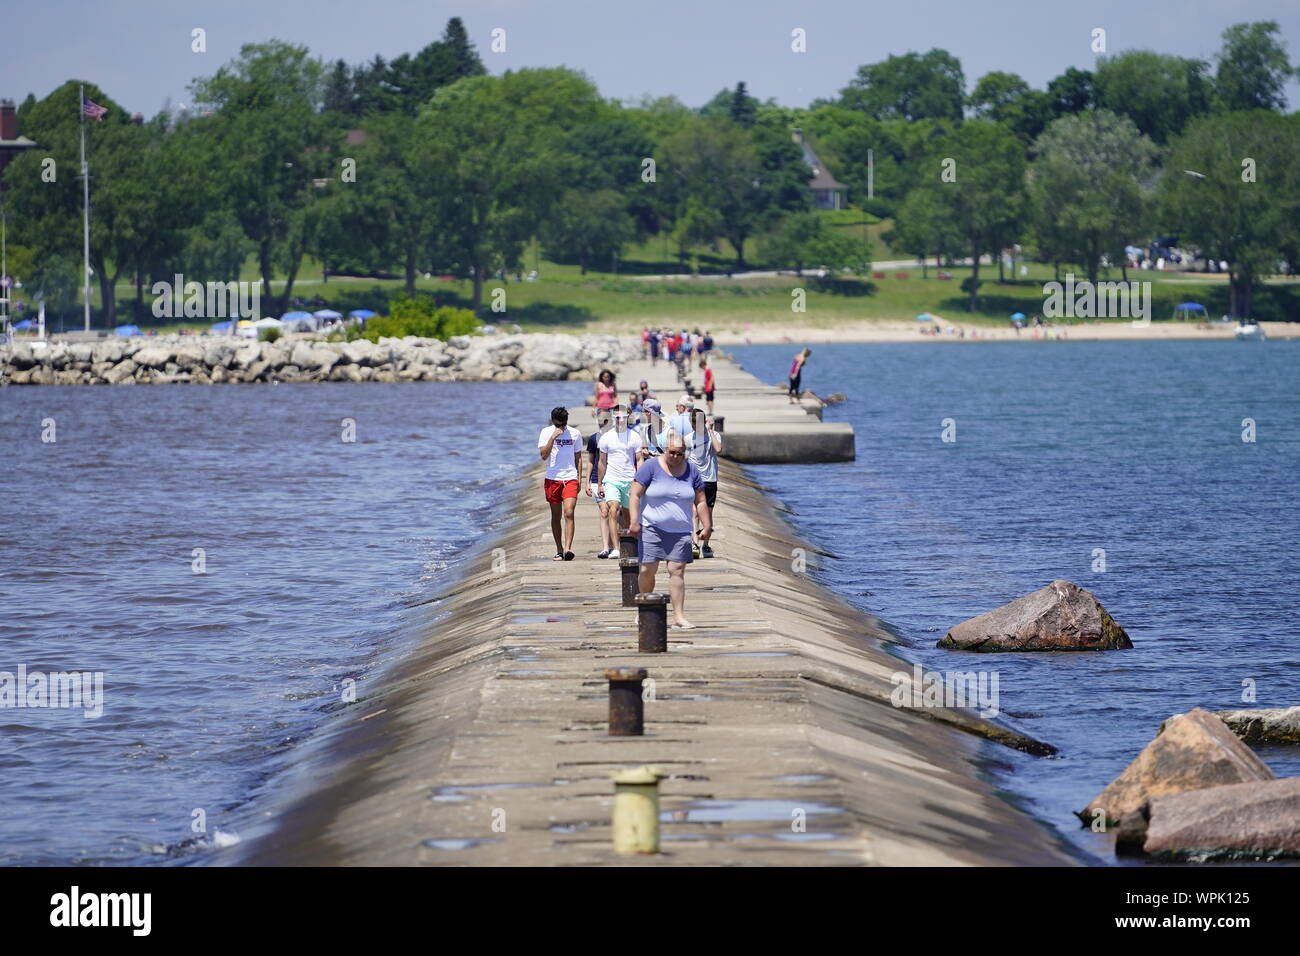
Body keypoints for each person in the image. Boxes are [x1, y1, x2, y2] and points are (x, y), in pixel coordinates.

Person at [629, 431, 711, 629]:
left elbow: (700, 501)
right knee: (648, 569)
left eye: (680, 453)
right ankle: (645, 609)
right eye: (672, 452)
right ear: (665, 450)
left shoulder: (691, 470)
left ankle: (678, 617)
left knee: (677, 571)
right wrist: (634, 520)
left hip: (680, 530)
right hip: (651, 527)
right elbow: (635, 495)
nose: (675, 457)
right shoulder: (650, 467)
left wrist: (707, 526)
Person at [597, 405, 645, 551]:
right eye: (617, 417)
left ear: (627, 418)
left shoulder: (635, 436)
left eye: (623, 417)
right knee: (613, 509)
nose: (620, 420)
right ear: (613, 418)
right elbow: (601, 462)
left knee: (629, 515)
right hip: (611, 479)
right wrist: (600, 484)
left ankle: (631, 545)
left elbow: (639, 459)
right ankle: (616, 548)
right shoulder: (606, 437)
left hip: (630, 479)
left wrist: (640, 479)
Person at [538, 406, 583, 561]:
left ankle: (568, 549)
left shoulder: (575, 433)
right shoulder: (545, 432)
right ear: (553, 422)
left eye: (563, 424)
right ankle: (559, 549)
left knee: (569, 512)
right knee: (555, 516)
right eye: (558, 425)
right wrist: (553, 437)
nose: (561, 427)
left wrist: (579, 479)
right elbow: (543, 455)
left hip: (570, 478)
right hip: (552, 479)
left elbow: (579, 457)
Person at [684, 408, 722, 558]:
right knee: (694, 512)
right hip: (694, 479)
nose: (696, 427)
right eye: (694, 424)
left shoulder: (714, 435)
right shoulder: (688, 438)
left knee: (708, 514)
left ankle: (706, 545)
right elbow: (685, 460)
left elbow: (718, 449)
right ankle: (694, 544)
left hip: (710, 479)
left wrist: (710, 431)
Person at [585, 408, 615, 557]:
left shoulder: (616, 437)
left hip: (614, 478)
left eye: (604, 420)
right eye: (600, 420)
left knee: (614, 512)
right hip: (597, 480)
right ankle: (606, 547)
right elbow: (590, 461)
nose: (602, 423)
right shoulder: (593, 438)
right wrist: (587, 482)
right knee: (604, 511)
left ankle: (616, 546)